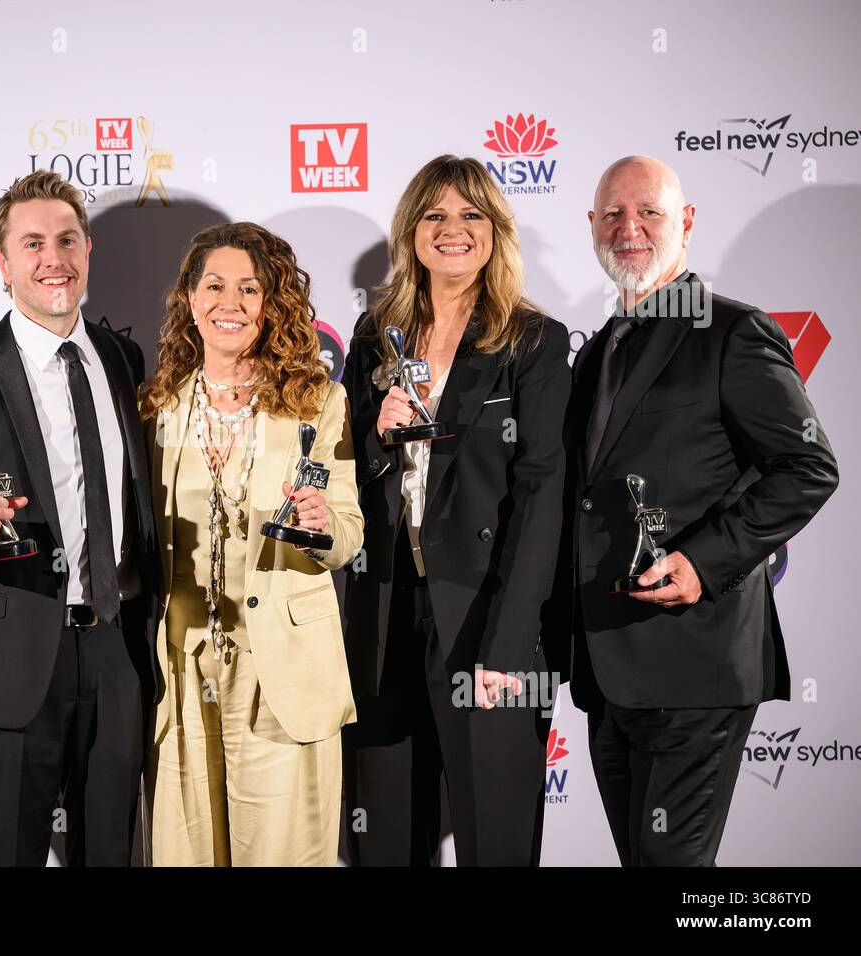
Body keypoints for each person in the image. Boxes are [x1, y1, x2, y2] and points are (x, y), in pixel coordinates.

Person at [567, 155, 838, 866]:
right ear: (591, 225)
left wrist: (702, 560)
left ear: (685, 223)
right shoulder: (594, 355)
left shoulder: (733, 332)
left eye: (649, 212)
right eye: (613, 214)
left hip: (695, 664)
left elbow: (808, 466)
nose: (629, 228)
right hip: (609, 665)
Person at [0, 169, 159, 866]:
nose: (54, 259)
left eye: (67, 240)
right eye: (34, 244)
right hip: (9, 664)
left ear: (88, 250)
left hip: (116, 653)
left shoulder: (123, 358)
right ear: (3, 262)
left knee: (111, 853)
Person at [342, 155, 570, 866]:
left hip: (485, 621)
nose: (453, 229)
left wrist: (509, 646)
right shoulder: (375, 335)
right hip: (386, 616)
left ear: (495, 230)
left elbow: (542, 497)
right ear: (411, 231)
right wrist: (376, 436)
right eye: (435, 214)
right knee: (384, 843)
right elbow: (346, 473)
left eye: (471, 214)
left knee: (495, 844)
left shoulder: (532, 340)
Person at [140, 221, 362, 866]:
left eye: (249, 288)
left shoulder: (318, 402)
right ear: (190, 298)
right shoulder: (157, 404)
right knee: (187, 853)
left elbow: (348, 534)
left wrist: (321, 526)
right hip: (181, 670)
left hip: (281, 671)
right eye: (214, 286)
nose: (229, 303)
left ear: (273, 303)